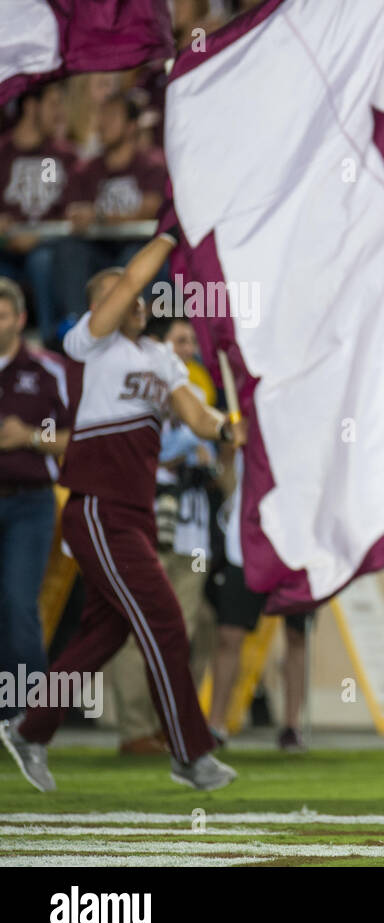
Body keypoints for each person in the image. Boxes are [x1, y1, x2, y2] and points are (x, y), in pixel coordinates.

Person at [0, 232, 244, 793]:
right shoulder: (89, 344)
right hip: (97, 509)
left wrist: (228, 427)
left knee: (102, 637)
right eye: (120, 296)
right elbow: (134, 278)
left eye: (136, 298)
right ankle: (188, 752)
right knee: (162, 616)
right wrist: (168, 229)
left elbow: (196, 414)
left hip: (131, 513)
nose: (134, 302)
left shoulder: (160, 357)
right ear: (97, 308)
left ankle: (30, 729)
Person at [104, 315, 220, 755]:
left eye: (192, 340)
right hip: (143, 523)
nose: (188, 348)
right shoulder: (136, 391)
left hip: (190, 531)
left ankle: (170, 725)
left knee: (185, 631)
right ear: (157, 346)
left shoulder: (199, 392)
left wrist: (208, 457)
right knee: (139, 629)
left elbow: (212, 460)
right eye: (179, 340)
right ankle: (136, 727)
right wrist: (186, 444)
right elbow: (131, 453)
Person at [207, 449, 312, 752]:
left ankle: (292, 726)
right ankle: (215, 724)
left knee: (296, 634)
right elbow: (225, 465)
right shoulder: (245, 420)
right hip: (247, 543)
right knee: (229, 634)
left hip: (296, 544)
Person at [0, 278, 70, 721]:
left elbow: (75, 437)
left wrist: (30, 437)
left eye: (1, 314)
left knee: (19, 604)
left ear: (21, 319)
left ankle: (26, 716)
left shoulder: (48, 370)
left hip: (30, 503)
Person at [52, 91, 166, 333]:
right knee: (67, 249)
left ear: (131, 126)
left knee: (136, 257)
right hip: (98, 248)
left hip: (137, 246)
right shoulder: (85, 169)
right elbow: (72, 211)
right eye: (101, 115)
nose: (102, 123)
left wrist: (99, 216)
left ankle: (127, 325)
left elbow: (150, 209)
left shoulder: (152, 164)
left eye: (112, 116)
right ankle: (80, 327)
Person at [0, 81, 75, 344]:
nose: (60, 113)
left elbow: (73, 214)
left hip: (48, 247)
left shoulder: (66, 156)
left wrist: (38, 236)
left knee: (43, 260)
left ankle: (49, 342)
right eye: (53, 104)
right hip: (5, 249)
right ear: (31, 107)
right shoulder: (3, 153)